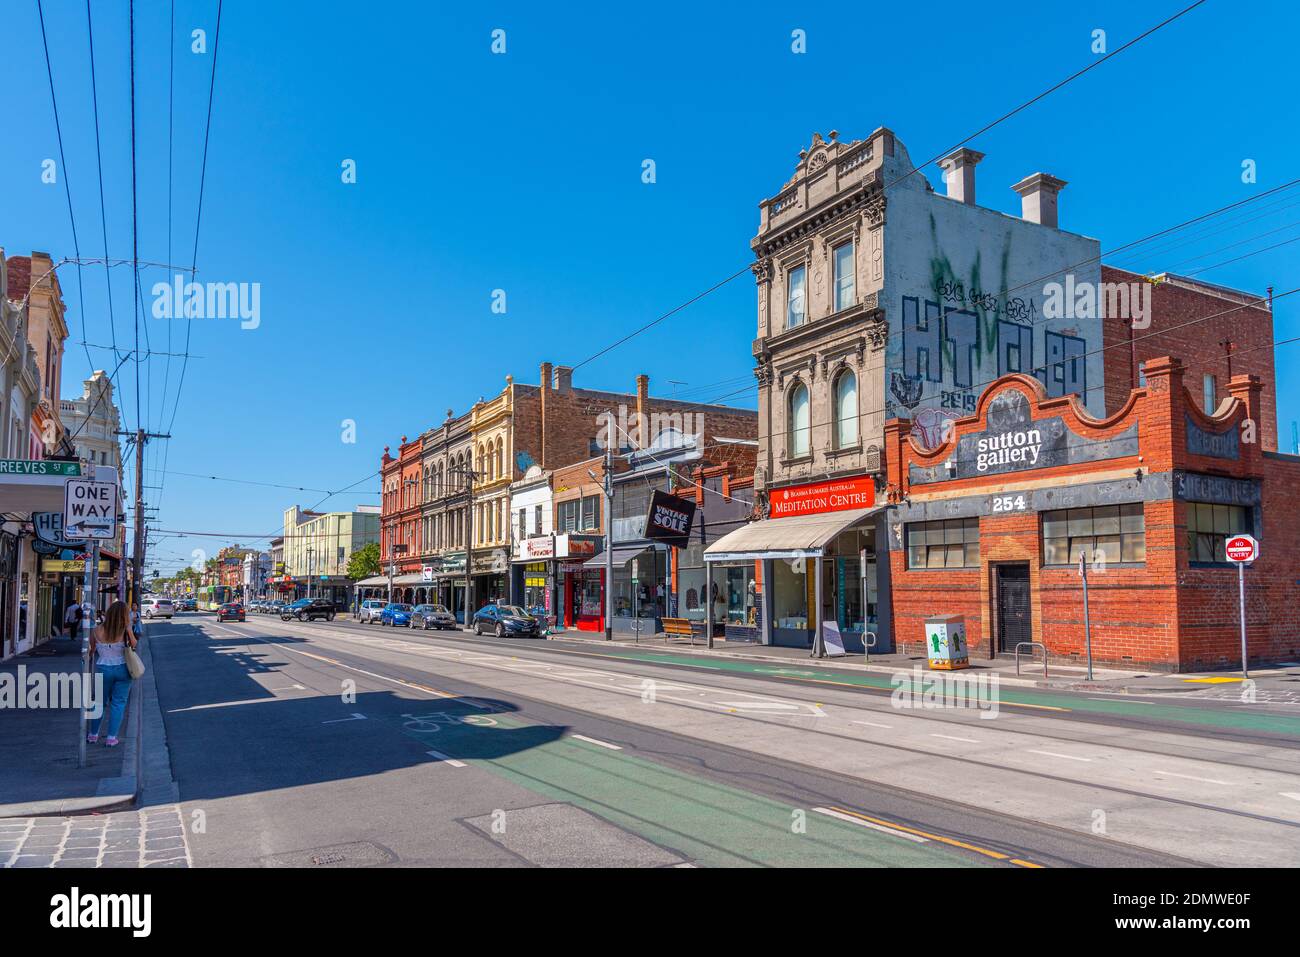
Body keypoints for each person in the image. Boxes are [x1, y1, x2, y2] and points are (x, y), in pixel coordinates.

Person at [87, 601, 138, 747]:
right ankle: (111, 737)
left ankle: (93, 735)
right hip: (123, 669)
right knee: (118, 704)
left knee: (99, 703)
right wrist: (129, 630)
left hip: (103, 668)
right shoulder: (124, 630)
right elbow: (134, 644)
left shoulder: (96, 630)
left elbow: (91, 650)